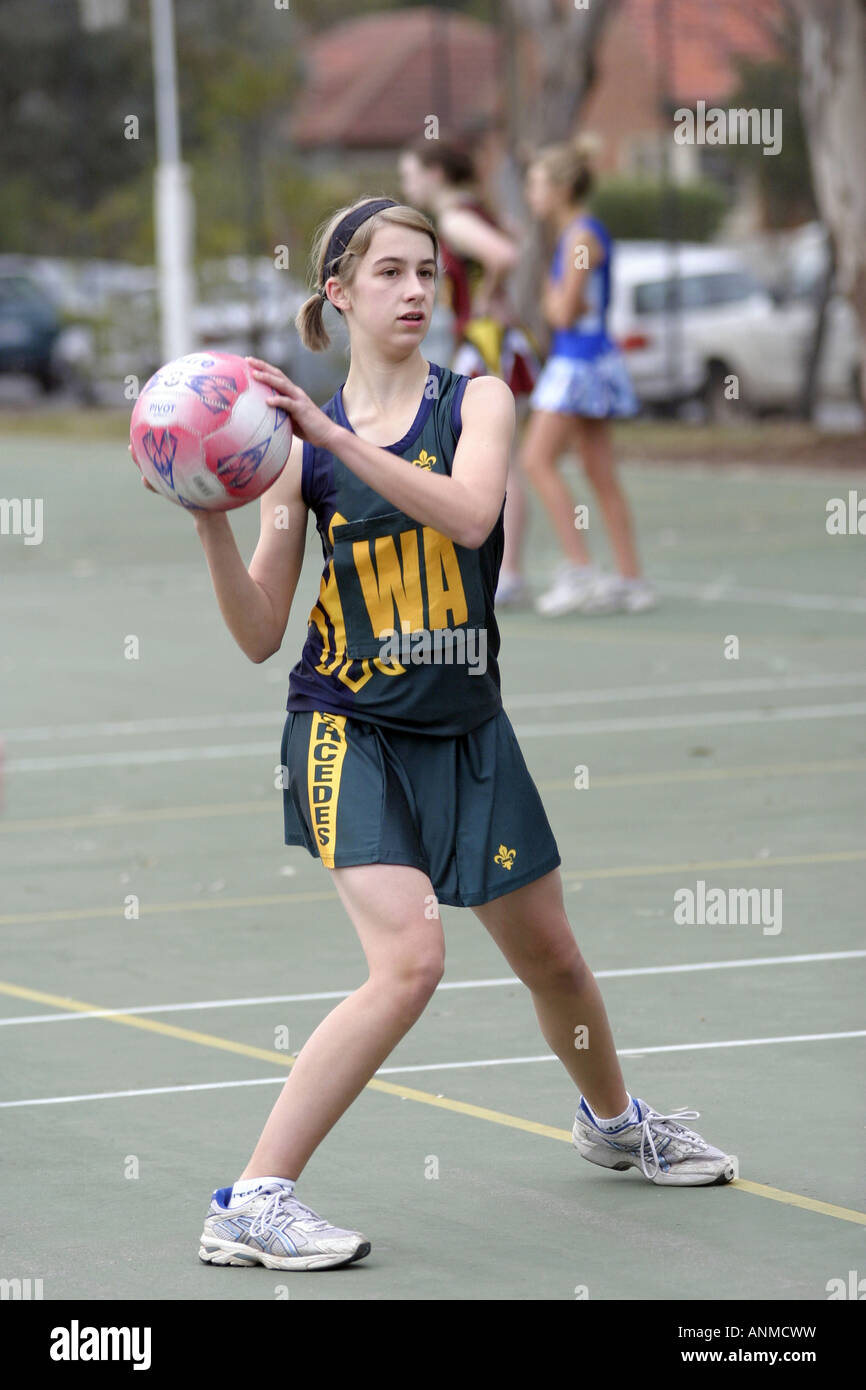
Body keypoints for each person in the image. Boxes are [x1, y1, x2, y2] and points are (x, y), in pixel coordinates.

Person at [135, 196, 734, 1273]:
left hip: (464, 726)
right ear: (340, 294)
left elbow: (468, 516)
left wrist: (325, 438)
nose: (417, 290)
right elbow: (261, 633)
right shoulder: (289, 451)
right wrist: (213, 526)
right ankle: (252, 1200)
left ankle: (610, 1121)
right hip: (345, 727)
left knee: (553, 958)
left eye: (429, 273)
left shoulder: (480, 402)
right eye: (390, 274)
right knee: (410, 962)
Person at [398, 139, 539, 607]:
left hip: (486, 342)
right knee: (487, 455)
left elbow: (504, 256)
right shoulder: (476, 210)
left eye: (411, 173)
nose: (407, 184)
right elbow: (513, 240)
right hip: (492, 339)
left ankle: (509, 571)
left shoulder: (457, 218)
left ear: (436, 174)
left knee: (500, 460)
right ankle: (498, 566)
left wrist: (483, 300)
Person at [522, 136, 656, 615]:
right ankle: (630, 578)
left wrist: (548, 294)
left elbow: (564, 310)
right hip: (587, 358)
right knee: (600, 472)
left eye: (537, 183)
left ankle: (580, 570)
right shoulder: (573, 235)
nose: (530, 193)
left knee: (536, 459)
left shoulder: (581, 237)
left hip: (581, 361)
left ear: (561, 186)